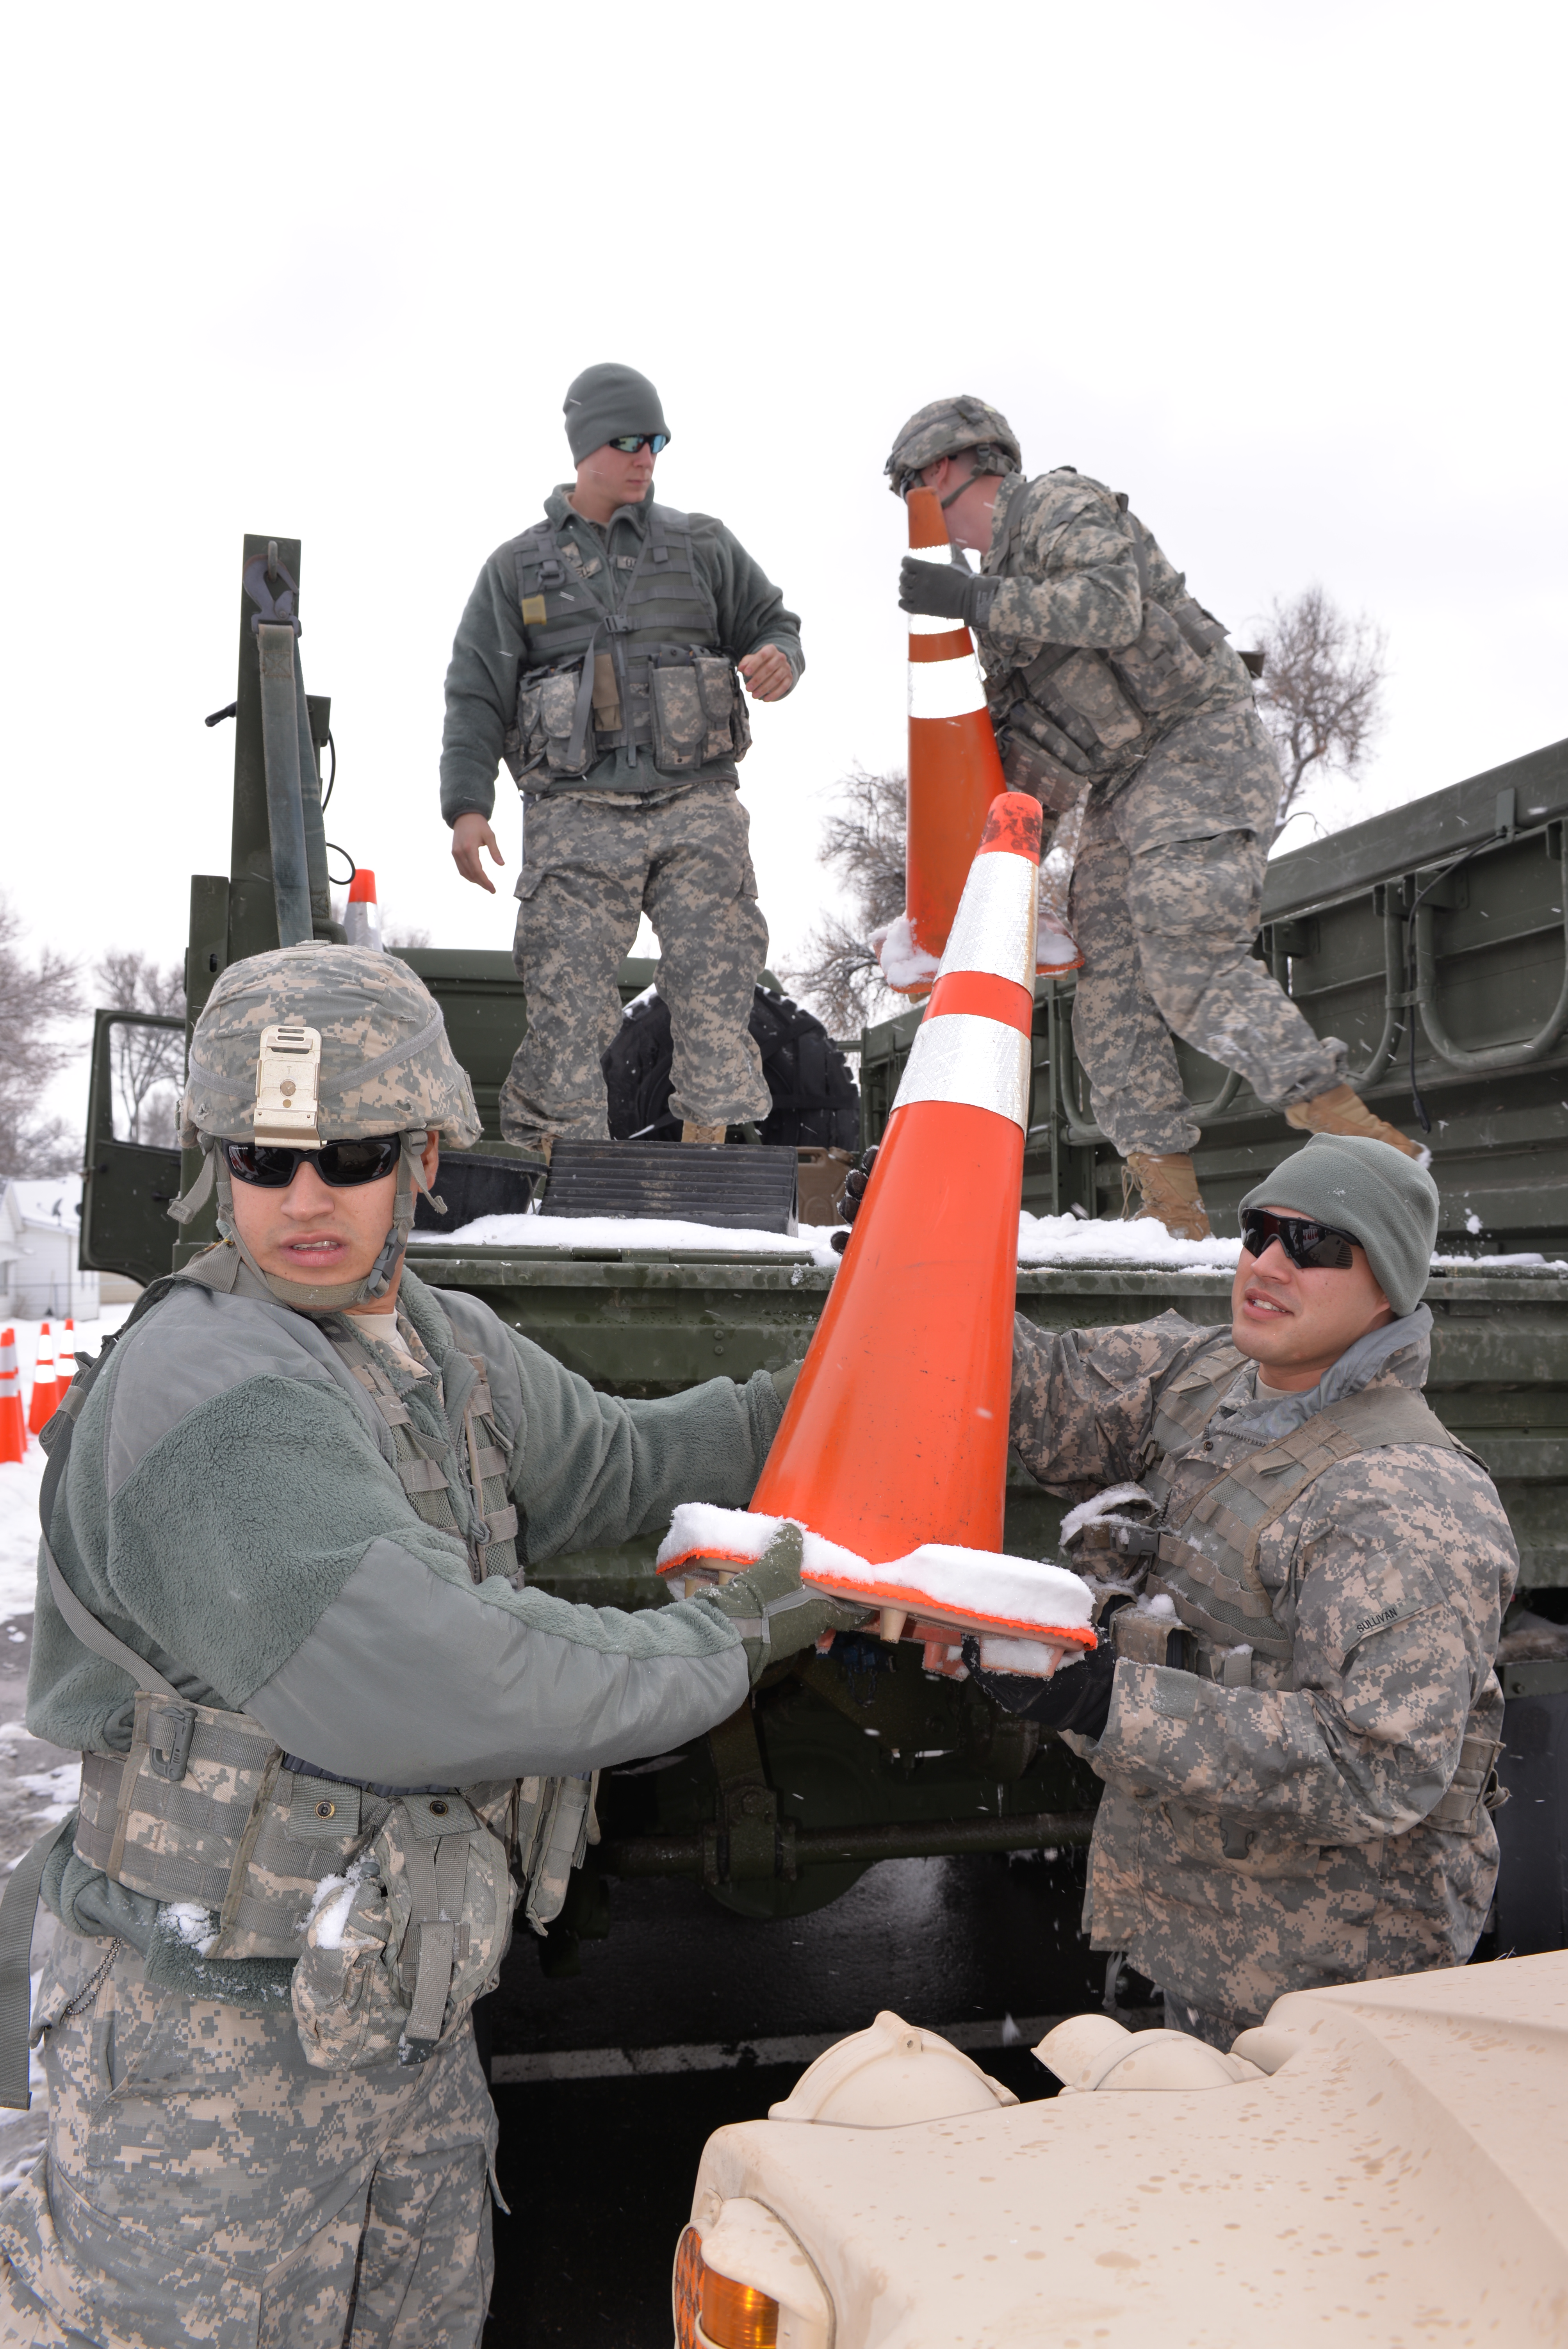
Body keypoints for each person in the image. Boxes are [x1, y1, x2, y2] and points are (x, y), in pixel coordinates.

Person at [0, 944, 858, 2348]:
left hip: (393, 2018)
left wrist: (820, 1395)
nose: (304, 1199)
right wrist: (732, 1634)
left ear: (425, 1155)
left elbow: (626, 1462)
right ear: (217, 1166)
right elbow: (440, 1674)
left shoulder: (433, 1345)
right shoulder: (210, 1384)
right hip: (209, 2057)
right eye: (262, 1161)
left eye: (350, 1152)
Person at [975, 1134, 1515, 2044]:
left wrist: (1109, 1697)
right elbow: (1042, 1392)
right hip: (1208, 1935)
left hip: (1329, 1987)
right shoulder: (1211, 1378)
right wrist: (931, 1248)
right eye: (1258, 1230)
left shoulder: (1405, 1497)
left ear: (1385, 1285)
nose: (1266, 1261)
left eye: (1313, 1245)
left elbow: (1375, 1767)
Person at [887, 395, 1424, 1239]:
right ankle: (1170, 1216)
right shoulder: (991, 607)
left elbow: (1110, 607)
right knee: (1108, 992)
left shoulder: (1056, 506)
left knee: (1186, 951)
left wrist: (974, 595)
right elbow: (1028, 754)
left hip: (1197, 740)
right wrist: (981, 880)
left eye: (918, 492)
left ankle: (1370, 1146)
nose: (931, 520)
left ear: (947, 469)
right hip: (1120, 780)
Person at [441, 362, 803, 1154]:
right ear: (585, 450)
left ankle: (715, 1156)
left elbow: (773, 622)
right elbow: (476, 693)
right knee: (566, 1004)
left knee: (716, 983)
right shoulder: (516, 569)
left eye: (657, 441)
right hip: (576, 815)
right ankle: (555, 1173)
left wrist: (779, 655)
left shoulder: (701, 545)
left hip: (696, 802)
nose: (646, 456)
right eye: (628, 440)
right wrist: (468, 809)